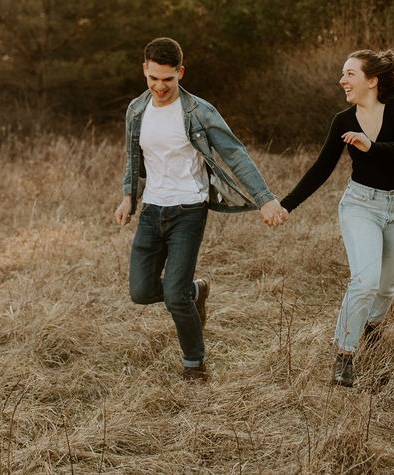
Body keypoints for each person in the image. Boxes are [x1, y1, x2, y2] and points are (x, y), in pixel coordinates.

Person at [114, 37, 286, 381]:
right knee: (140, 292)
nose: (160, 86)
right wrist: (128, 196)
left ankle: (194, 364)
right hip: (152, 210)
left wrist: (265, 198)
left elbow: (234, 154)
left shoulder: (199, 112)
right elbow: (134, 157)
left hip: (188, 210)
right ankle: (196, 291)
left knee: (174, 297)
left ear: (181, 72)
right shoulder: (136, 109)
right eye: (153, 78)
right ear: (144, 70)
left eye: (168, 79)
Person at [279, 49, 394, 387]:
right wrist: (287, 205)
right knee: (365, 281)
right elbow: (321, 169)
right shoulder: (343, 121)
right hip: (361, 205)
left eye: (350, 74)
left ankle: (372, 328)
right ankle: (344, 354)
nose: (342, 80)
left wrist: (371, 146)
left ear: (371, 80)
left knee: (386, 287)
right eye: (343, 74)